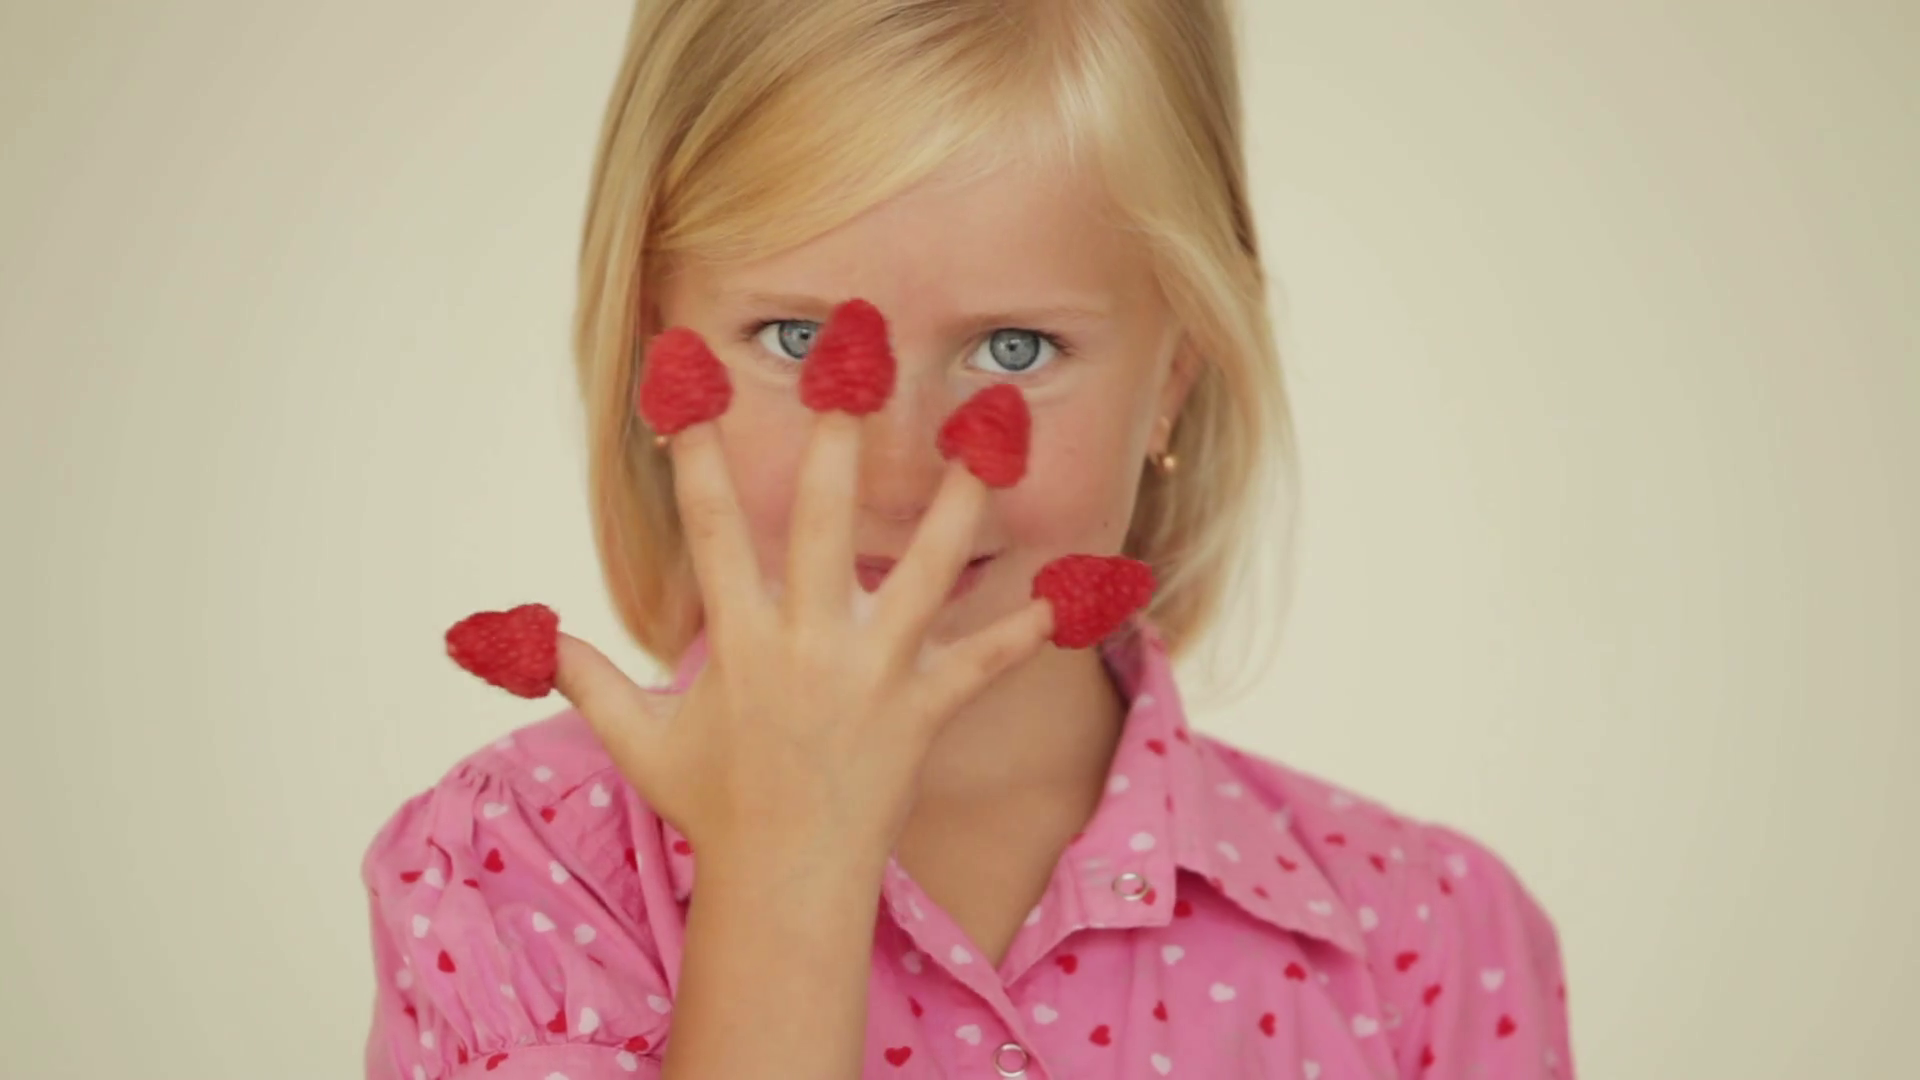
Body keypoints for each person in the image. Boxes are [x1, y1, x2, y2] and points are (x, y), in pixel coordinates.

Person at [359, 2, 1576, 1077]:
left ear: (1174, 376)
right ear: (649, 338)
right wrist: (790, 867)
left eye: (1014, 351)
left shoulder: (1423, 938)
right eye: (794, 340)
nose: (896, 477)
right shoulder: (507, 872)